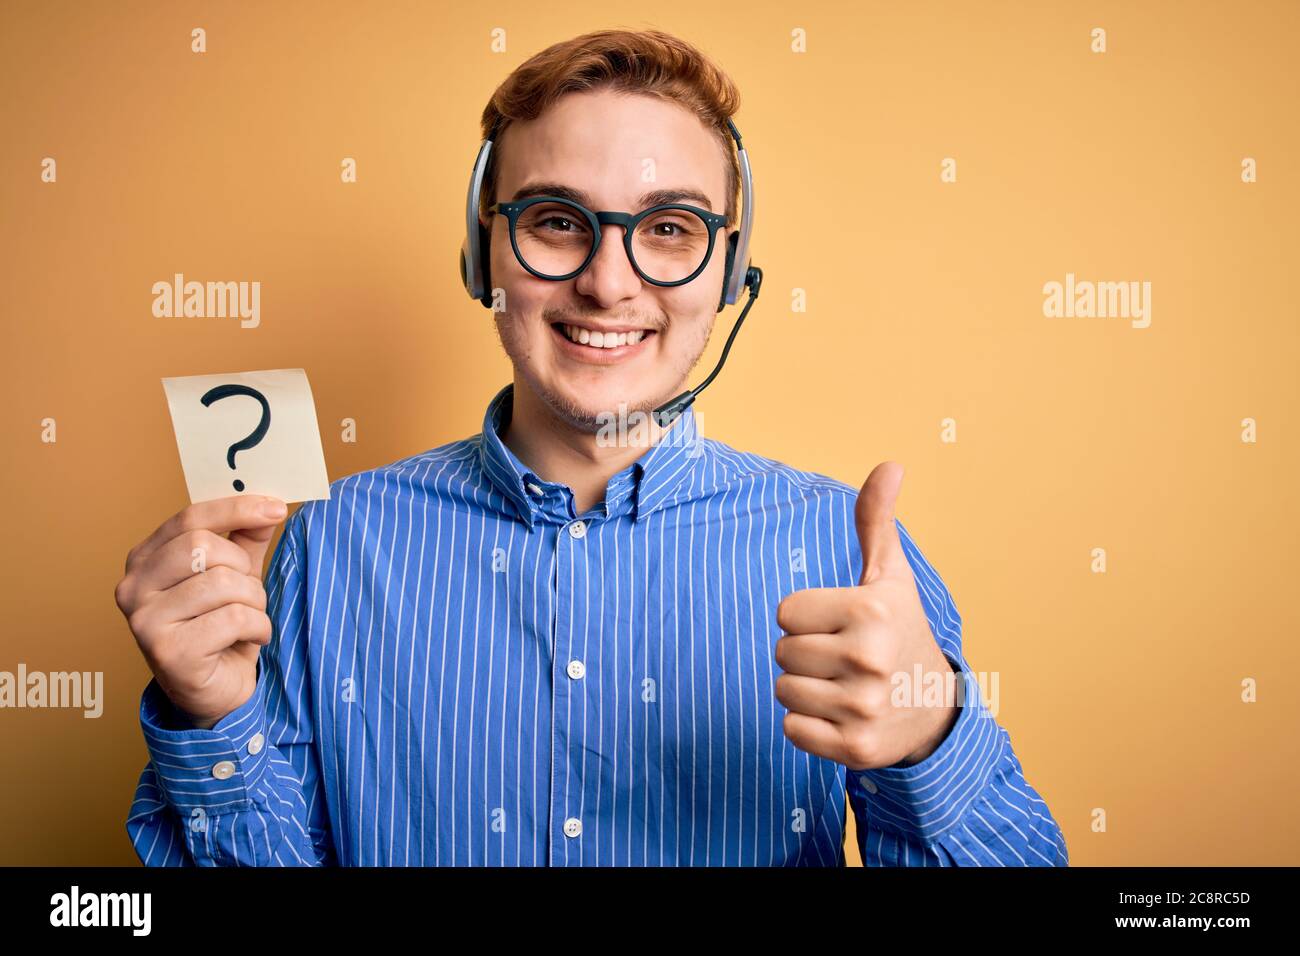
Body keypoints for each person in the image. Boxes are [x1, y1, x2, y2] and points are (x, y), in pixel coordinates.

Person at [117, 28, 1067, 866]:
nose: (609, 283)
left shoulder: (850, 553)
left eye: (668, 229)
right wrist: (216, 720)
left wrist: (930, 738)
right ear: (480, 251)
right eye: (558, 221)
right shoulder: (333, 543)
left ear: (729, 271)